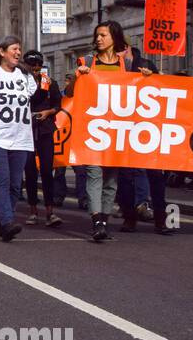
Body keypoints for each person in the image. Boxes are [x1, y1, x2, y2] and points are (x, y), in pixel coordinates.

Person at [66, 21, 156, 242]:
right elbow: (69, 93)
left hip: (116, 130)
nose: (98, 39)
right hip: (93, 128)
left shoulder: (127, 65)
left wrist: (146, 78)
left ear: (114, 38)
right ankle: (96, 221)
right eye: (97, 35)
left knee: (111, 180)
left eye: (103, 35)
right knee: (94, 174)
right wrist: (78, 77)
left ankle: (104, 220)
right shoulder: (86, 61)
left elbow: (141, 94)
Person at [0, 35, 35, 241]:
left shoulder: (25, 75)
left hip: (21, 137)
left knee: (15, 184)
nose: (18, 53)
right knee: (2, 180)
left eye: (19, 49)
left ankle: (5, 223)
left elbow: (35, 95)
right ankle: (8, 220)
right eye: (14, 49)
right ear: (2, 52)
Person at [21, 50, 63, 228]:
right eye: (32, 66)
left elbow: (58, 104)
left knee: (46, 171)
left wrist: (48, 112)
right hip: (26, 131)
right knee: (30, 172)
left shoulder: (49, 83)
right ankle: (32, 210)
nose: (36, 70)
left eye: (38, 66)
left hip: (45, 130)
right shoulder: (19, 82)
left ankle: (50, 212)